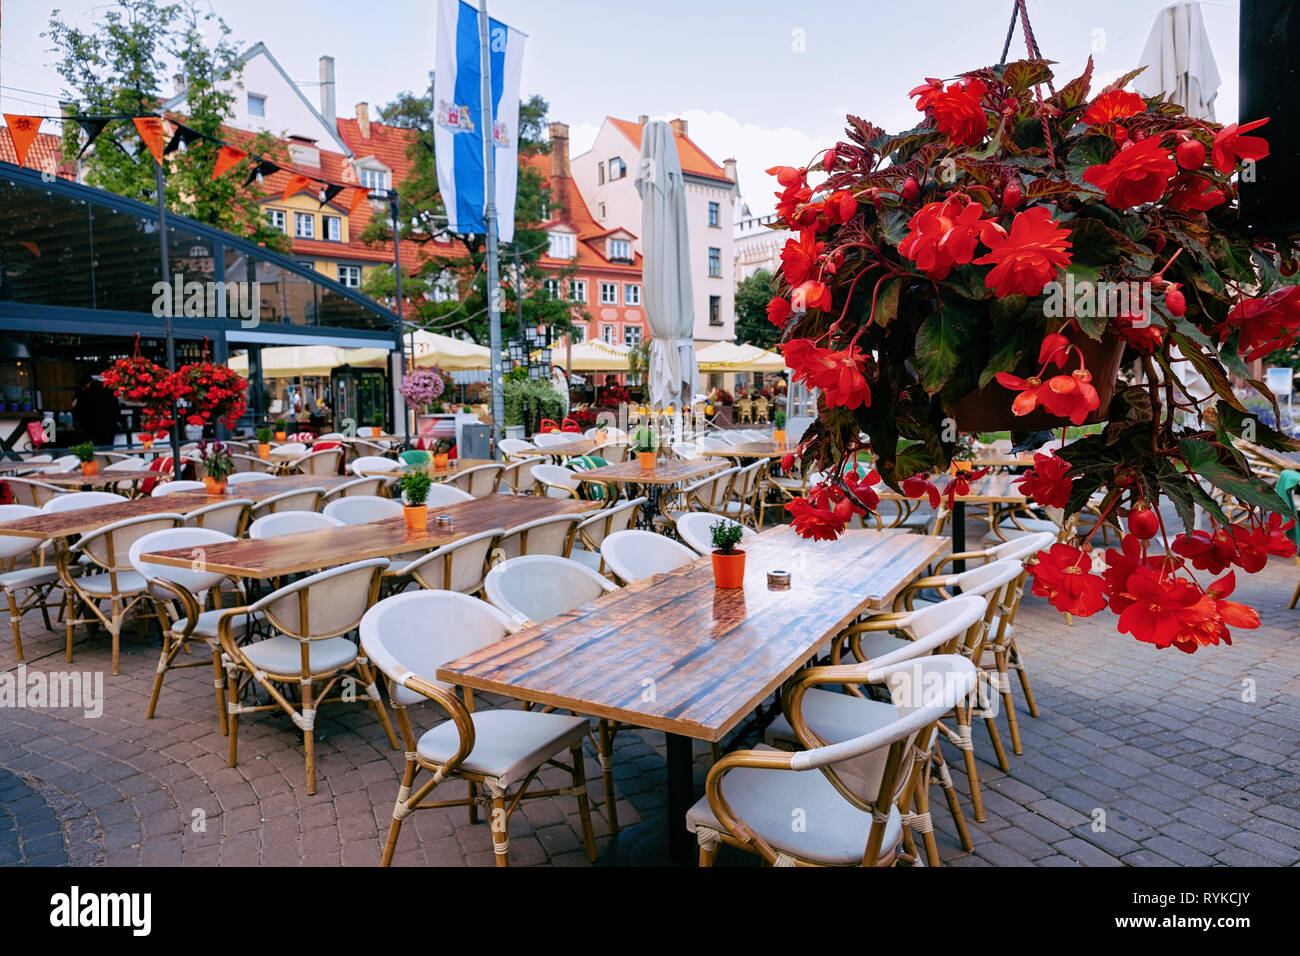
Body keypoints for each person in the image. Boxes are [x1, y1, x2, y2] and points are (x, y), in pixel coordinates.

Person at [72, 373, 120, 446]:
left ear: (85, 384)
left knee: (95, 452)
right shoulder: (109, 390)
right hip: (109, 427)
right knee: (108, 449)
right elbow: (116, 408)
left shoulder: (85, 393)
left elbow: (76, 407)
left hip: (92, 428)